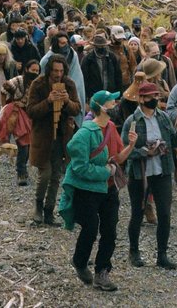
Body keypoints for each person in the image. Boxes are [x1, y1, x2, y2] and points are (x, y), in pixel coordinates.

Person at [59, 90, 133, 291]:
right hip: (88, 190)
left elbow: (117, 157)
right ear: (101, 106)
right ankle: (80, 262)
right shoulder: (84, 134)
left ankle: (102, 271)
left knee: (109, 230)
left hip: (109, 190)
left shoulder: (111, 127)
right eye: (111, 102)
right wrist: (105, 171)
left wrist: (131, 146)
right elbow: (79, 167)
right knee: (91, 228)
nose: (116, 105)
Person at [121, 81, 177, 270]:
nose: (155, 99)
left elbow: (175, 141)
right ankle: (134, 251)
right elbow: (124, 150)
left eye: (157, 96)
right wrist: (144, 151)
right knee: (137, 213)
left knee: (164, 213)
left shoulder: (163, 117)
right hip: (140, 172)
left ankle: (162, 254)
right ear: (141, 99)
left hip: (162, 170)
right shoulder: (132, 121)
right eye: (150, 96)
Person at [26, 57, 81, 226]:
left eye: (61, 71)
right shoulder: (38, 84)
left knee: (57, 176)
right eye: (55, 71)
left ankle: (49, 211)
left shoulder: (69, 84)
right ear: (49, 70)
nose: (58, 75)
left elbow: (77, 108)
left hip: (62, 136)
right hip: (43, 135)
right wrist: (48, 101)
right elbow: (31, 111)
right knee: (45, 174)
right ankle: (38, 206)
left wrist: (67, 102)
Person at [0, 76, 32, 186]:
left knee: (29, 145)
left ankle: (23, 170)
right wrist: (4, 107)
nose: (34, 72)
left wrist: (25, 105)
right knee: (23, 144)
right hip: (16, 114)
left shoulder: (37, 83)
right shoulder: (18, 80)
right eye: (33, 70)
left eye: (37, 70)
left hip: (30, 115)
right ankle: (21, 172)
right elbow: (3, 89)